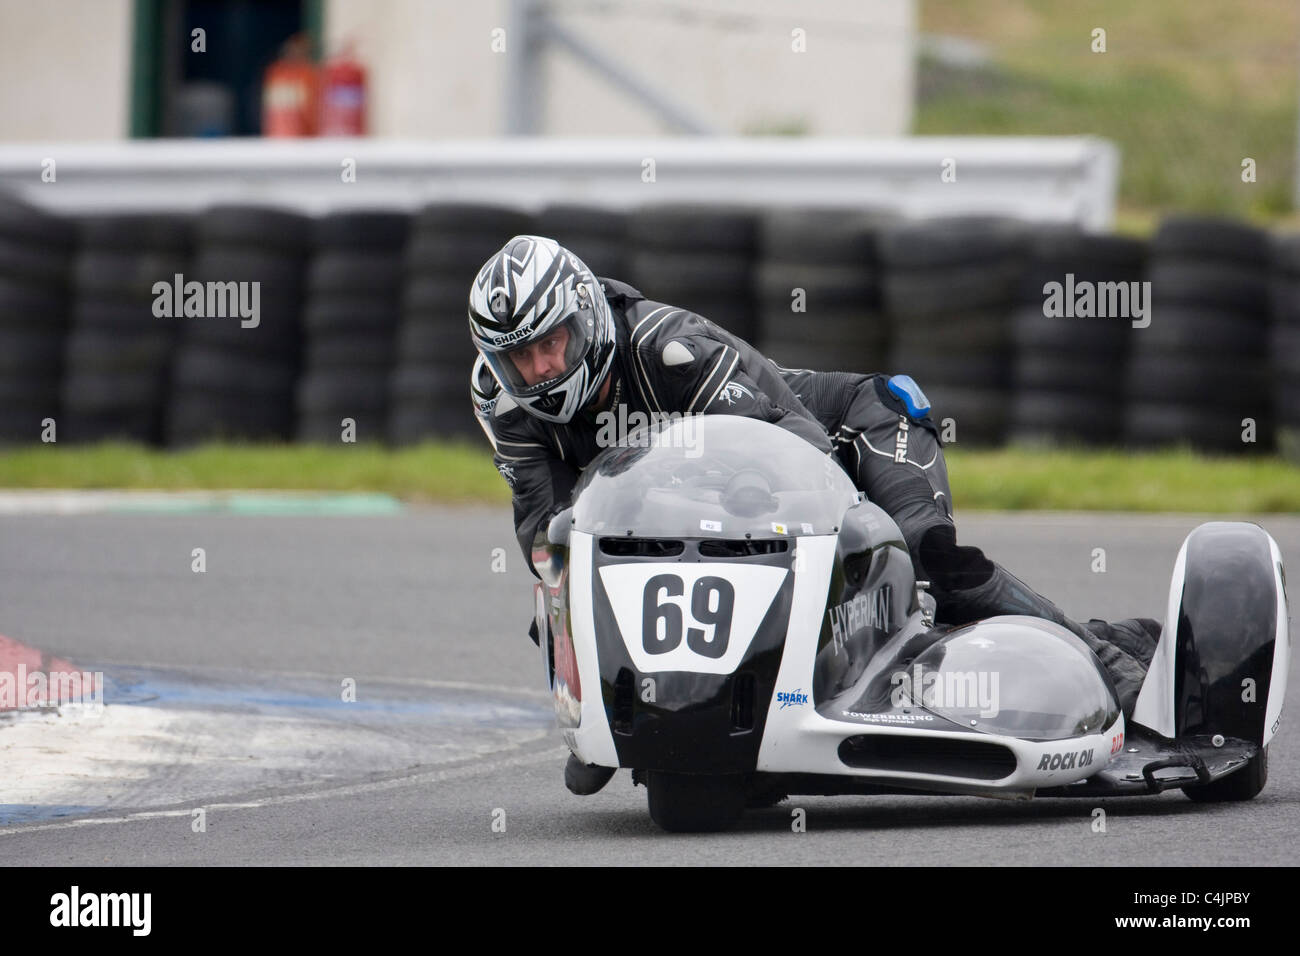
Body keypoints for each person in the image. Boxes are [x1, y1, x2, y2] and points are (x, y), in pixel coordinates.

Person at [467, 235, 1158, 795]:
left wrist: (720, 500)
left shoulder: (669, 349)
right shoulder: (499, 402)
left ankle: (1120, 679)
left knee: (930, 558)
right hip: (738, 476)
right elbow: (545, 527)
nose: (542, 367)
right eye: (519, 358)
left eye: (552, 341)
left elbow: (795, 452)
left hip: (851, 433)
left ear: (585, 316)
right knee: (560, 585)